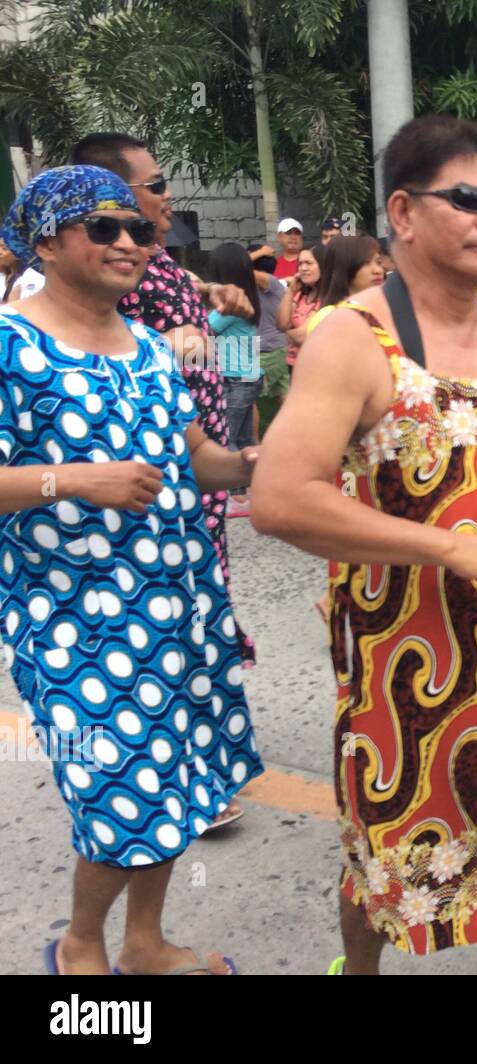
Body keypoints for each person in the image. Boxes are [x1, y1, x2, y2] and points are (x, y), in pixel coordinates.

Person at [250, 114, 477, 974]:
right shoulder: (352, 338)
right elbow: (279, 497)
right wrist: (449, 548)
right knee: (384, 846)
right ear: (405, 212)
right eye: (468, 200)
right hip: (399, 658)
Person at [0, 165, 262, 976]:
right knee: (124, 790)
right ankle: (82, 943)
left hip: (180, 605)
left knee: (179, 780)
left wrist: (262, 462)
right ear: (47, 242)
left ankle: (144, 943)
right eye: (102, 228)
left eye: (139, 230)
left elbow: (201, 462)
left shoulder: (150, 347)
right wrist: (73, 479)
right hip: (73, 620)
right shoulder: (11, 346)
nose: (129, 243)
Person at [70, 132, 257, 703]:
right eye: (154, 186)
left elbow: (177, 295)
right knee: (164, 616)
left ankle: (198, 735)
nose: (167, 195)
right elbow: (92, 347)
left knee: (203, 604)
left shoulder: (154, 260)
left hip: (201, 462)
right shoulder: (103, 271)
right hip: (153, 477)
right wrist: (172, 343)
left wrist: (213, 292)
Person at [207, 243, 262, 516]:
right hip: (246, 375)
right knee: (242, 438)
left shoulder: (230, 307)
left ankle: (237, 497)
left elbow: (205, 328)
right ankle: (252, 491)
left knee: (226, 435)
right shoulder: (249, 298)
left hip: (239, 377)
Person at [247, 245, 291, 432]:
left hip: (267, 353)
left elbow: (238, 267)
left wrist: (260, 252)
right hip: (277, 349)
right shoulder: (265, 286)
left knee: (254, 400)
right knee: (283, 396)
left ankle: (263, 440)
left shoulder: (270, 283)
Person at [304, 235, 385, 333]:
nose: (378, 270)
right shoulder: (328, 318)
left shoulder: (386, 311)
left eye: (379, 262)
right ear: (344, 268)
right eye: (366, 263)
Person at [275, 244, 321, 371]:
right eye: (300, 264)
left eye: (309, 263)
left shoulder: (326, 297)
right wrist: (290, 291)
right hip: (293, 364)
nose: (303, 268)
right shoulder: (301, 294)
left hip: (314, 367)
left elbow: (301, 337)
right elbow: (282, 324)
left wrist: (281, 335)